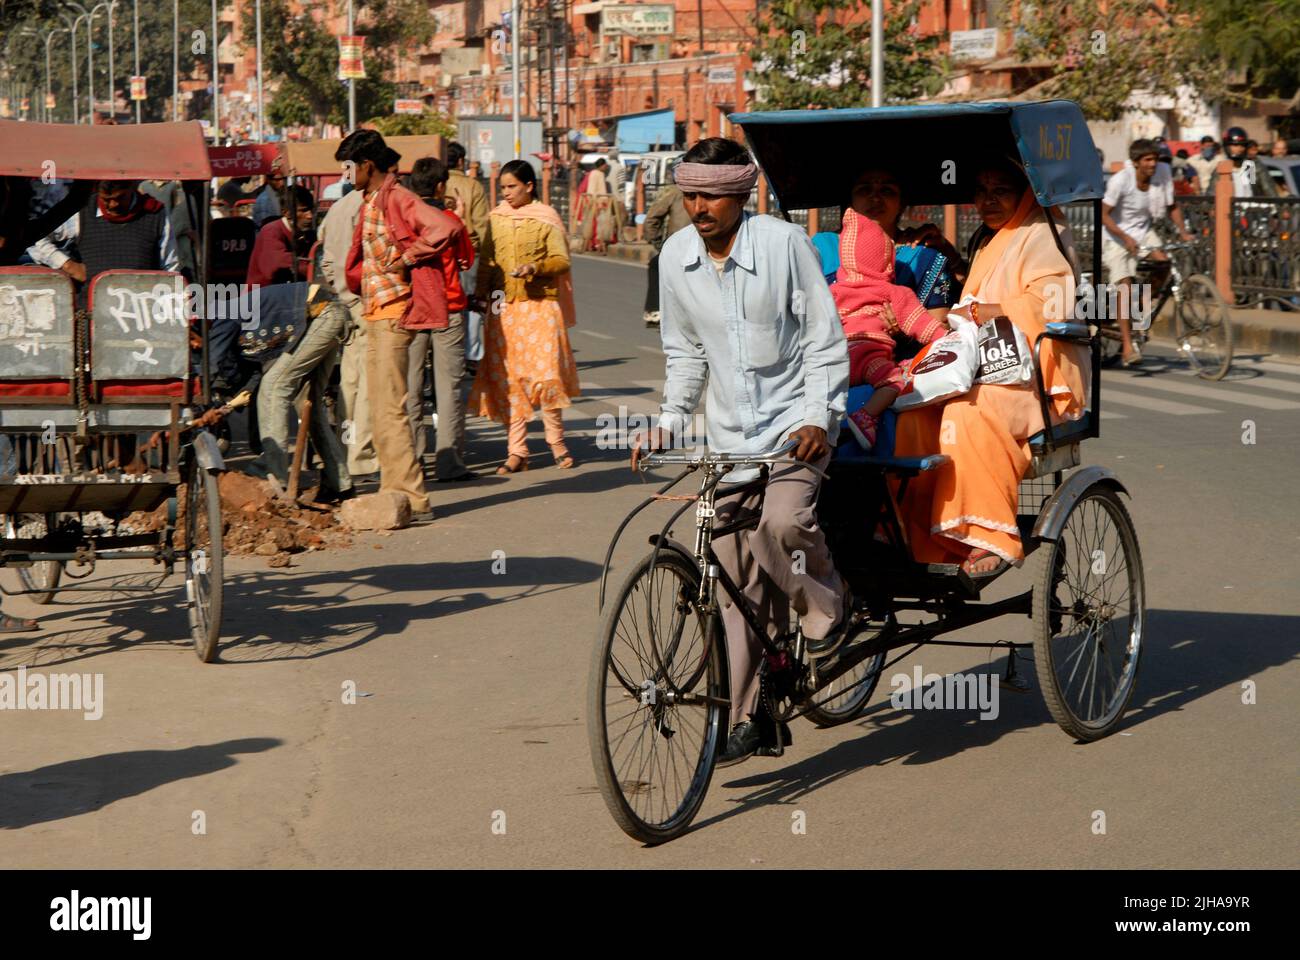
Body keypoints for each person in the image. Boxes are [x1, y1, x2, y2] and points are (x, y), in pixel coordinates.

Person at [630, 137, 851, 764]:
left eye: (712, 196)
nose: (699, 207)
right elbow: (685, 352)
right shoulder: (676, 257)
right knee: (735, 579)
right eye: (691, 194)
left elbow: (821, 340)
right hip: (729, 440)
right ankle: (753, 715)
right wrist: (670, 421)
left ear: (741, 195)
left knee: (781, 523)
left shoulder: (784, 245)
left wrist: (816, 416)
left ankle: (828, 610)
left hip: (794, 427)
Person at [893, 157, 1091, 577]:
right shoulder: (988, 239)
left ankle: (988, 534)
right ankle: (918, 536)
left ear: (1023, 194)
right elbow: (974, 289)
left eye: (1000, 190)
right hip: (981, 369)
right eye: (980, 191)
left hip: (1032, 379)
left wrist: (989, 310)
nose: (988, 200)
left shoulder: (1041, 233)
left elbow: (1053, 304)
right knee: (912, 414)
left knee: (966, 414)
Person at [337, 129, 464, 519]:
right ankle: (394, 489)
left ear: (367, 165)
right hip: (376, 311)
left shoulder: (397, 196)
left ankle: (412, 495)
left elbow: (446, 228)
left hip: (395, 312)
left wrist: (410, 256)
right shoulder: (371, 199)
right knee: (379, 405)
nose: (345, 176)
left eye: (348, 167)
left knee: (390, 405)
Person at [469, 159, 580, 473]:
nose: (506, 193)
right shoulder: (496, 218)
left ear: (529, 186)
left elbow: (561, 260)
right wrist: (481, 297)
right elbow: (488, 261)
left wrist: (536, 268)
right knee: (510, 381)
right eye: (503, 187)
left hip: (541, 307)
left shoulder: (547, 218)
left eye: (512, 187)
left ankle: (556, 443)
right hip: (503, 310)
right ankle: (516, 451)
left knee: (547, 377)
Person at [832, 208, 949, 449]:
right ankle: (866, 416)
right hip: (868, 357)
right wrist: (946, 337)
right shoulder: (893, 292)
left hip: (836, 361)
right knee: (895, 380)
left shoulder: (833, 290)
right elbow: (920, 323)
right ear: (886, 261)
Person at [403, 157, 475, 481]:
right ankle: (448, 462)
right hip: (449, 308)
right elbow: (465, 261)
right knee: (449, 388)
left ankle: (414, 460)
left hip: (413, 309)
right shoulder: (450, 221)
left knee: (411, 388)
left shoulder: (405, 221)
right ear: (441, 186)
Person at [249, 283, 355, 503]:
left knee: (274, 386)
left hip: (325, 315)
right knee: (309, 404)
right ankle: (341, 484)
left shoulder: (223, 320)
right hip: (330, 315)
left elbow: (223, 364)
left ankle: (274, 474)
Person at [1101, 138, 1194, 365]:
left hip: (1143, 231)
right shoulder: (1120, 180)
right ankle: (1126, 346)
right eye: (1148, 160)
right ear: (1135, 162)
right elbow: (1103, 214)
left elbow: (1171, 205)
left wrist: (1183, 232)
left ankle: (1139, 304)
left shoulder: (1163, 172)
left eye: (1155, 159)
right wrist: (1125, 238)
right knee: (1124, 285)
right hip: (1115, 236)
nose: (1153, 164)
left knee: (1164, 265)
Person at [28, 179, 180, 304]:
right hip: (92, 313)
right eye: (106, 199)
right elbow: (35, 237)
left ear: (132, 187)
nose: (113, 205)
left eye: (120, 198)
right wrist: (67, 265)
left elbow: (170, 267)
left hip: (141, 314)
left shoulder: (155, 214)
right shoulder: (82, 211)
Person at [317, 179, 378, 479]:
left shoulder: (339, 208)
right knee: (366, 386)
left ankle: (345, 448)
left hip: (342, 301)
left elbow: (325, 257)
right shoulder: (371, 206)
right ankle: (361, 456)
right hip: (366, 301)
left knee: (349, 385)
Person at [849, 167, 965, 307]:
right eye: (865, 189)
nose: (875, 198)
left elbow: (940, 322)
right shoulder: (824, 249)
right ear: (850, 201)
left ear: (901, 204)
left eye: (886, 190)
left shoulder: (925, 257)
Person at [444, 141, 491, 375]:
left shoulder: (436, 183)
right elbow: (482, 226)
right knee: (472, 303)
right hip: (469, 253)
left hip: (440, 254)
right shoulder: (473, 186)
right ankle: (472, 355)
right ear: (461, 162)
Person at [640, 180, 690, 327]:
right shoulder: (716, 188)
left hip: (680, 245)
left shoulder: (674, 191)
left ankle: (655, 311)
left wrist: (656, 242)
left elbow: (651, 219)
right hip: (715, 243)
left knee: (656, 265)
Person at [247, 184, 315, 287]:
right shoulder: (271, 232)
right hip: (264, 295)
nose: (310, 216)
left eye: (311, 210)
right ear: (287, 213)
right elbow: (278, 264)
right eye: (303, 210)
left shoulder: (308, 234)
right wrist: (314, 268)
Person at [251, 159, 287, 228]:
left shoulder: (282, 194)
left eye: (283, 179)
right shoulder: (264, 200)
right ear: (269, 180)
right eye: (277, 180)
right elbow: (265, 225)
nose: (281, 182)